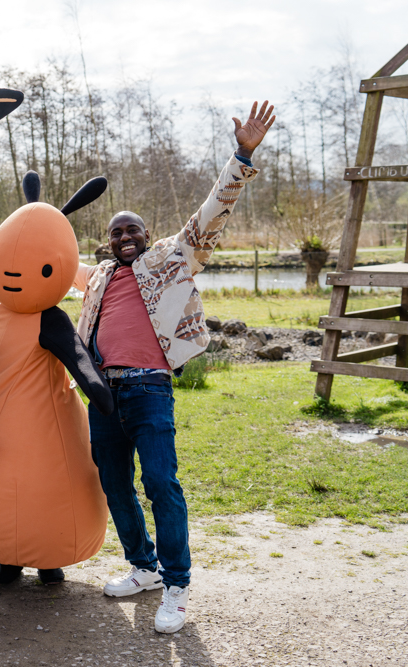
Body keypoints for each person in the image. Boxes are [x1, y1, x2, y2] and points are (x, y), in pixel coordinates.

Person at [73, 101, 275, 633]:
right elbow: (46, 262)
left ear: (147, 234)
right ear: (107, 242)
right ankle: (143, 568)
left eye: (133, 230)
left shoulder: (171, 259)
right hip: (104, 396)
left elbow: (211, 213)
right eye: (116, 233)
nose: (125, 237)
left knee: (161, 483)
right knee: (115, 484)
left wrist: (241, 156)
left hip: (149, 391)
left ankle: (176, 584)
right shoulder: (98, 278)